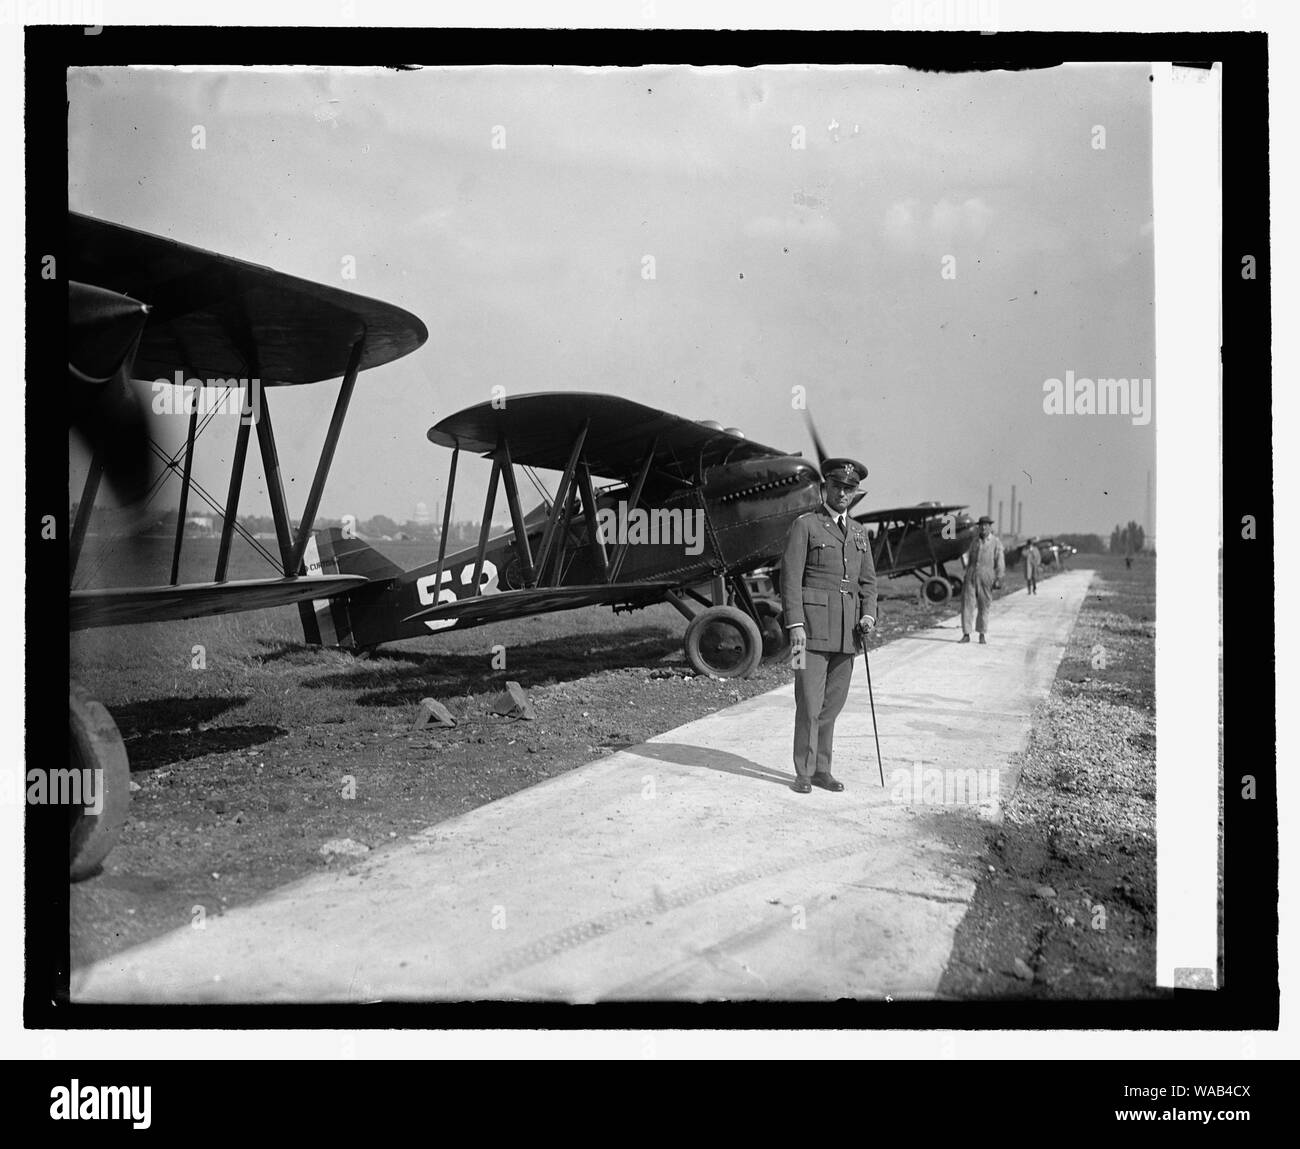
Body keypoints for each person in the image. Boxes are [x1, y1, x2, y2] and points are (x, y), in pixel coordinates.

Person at [781, 458, 877, 794]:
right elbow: (790, 579)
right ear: (826, 488)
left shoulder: (859, 533)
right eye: (837, 486)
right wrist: (794, 625)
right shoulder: (805, 525)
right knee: (807, 702)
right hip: (805, 633)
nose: (843, 493)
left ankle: (823, 769)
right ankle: (803, 772)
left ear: (854, 493)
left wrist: (868, 615)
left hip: (847, 635)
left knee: (832, 705)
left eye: (849, 489)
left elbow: (868, 583)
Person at [960, 515, 1005, 644]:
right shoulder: (974, 542)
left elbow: (1000, 561)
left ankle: (982, 634)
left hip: (986, 577)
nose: (983, 527)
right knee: (967, 605)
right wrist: (966, 574)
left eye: (986, 525)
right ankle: (966, 634)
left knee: (984, 606)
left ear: (990, 527)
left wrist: (999, 577)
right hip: (971, 576)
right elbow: (968, 559)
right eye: (981, 525)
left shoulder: (996, 542)